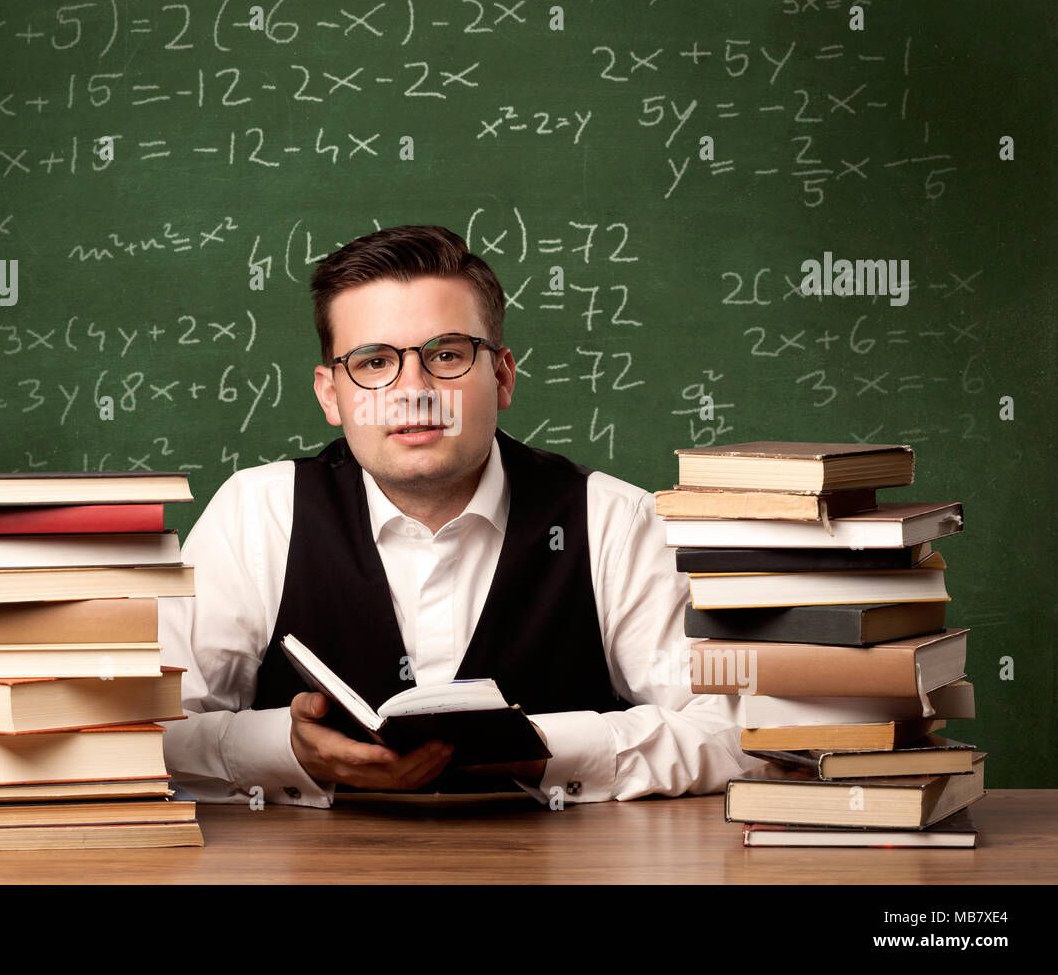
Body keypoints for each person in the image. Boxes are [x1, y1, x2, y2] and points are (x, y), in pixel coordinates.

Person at [158, 225, 760, 807]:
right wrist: (286, 752)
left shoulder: (613, 520)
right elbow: (146, 730)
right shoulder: (256, 513)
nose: (414, 391)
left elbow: (739, 733)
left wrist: (548, 750)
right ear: (329, 394)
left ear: (501, 376)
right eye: (373, 363)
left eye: (446, 354)